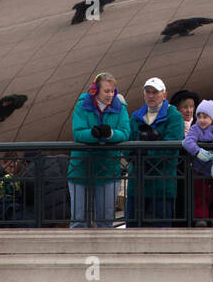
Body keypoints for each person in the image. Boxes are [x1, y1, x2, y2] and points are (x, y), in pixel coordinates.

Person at [68, 73, 130, 227]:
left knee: (105, 220)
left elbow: (125, 132)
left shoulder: (120, 107)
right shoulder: (82, 105)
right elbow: (77, 132)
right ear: (96, 90)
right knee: (78, 219)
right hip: (81, 168)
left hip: (108, 169)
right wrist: (93, 134)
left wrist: (110, 134)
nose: (110, 95)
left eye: (112, 91)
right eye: (106, 91)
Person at [126, 77, 184, 227]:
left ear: (164, 95)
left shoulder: (174, 116)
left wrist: (144, 154)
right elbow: (128, 146)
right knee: (133, 232)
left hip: (162, 186)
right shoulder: (135, 117)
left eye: (155, 92)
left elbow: (171, 148)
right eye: (148, 92)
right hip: (137, 185)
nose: (151, 96)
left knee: (161, 233)